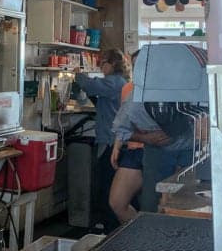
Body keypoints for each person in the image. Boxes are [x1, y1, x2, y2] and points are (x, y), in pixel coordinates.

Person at [112, 90, 194, 213]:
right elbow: (120, 130)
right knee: (151, 205)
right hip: (156, 153)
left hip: (190, 149)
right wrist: (146, 138)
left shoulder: (189, 90)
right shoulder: (135, 100)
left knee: (185, 205)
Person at [73, 49, 127, 233]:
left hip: (111, 142)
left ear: (112, 64)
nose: (101, 67)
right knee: (107, 185)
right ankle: (112, 224)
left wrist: (77, 75)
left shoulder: (115, 82)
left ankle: (111, 228)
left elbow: (91, 86)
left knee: (107, 186)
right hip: (110, 139)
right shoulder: (117, 82)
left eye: (103, 63)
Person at [108, 79, 144, 224]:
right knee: (117, 202)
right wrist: (117, 146)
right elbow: (124, 118)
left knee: (156, 205)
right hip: (134, 150)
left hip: (159, 151)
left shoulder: (161, 85)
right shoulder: (127, 88)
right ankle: (138, 236)